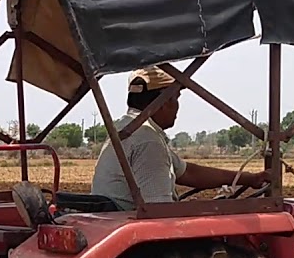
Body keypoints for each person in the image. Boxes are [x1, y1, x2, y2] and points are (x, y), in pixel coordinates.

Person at [90, 68, 270, 210]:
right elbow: (158, 210)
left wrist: (249, 179)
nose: (177, 107)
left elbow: (188, 173)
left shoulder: (126, 128)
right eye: (175, 98)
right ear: (164, 102)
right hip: (131, 227)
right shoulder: (147, 141)